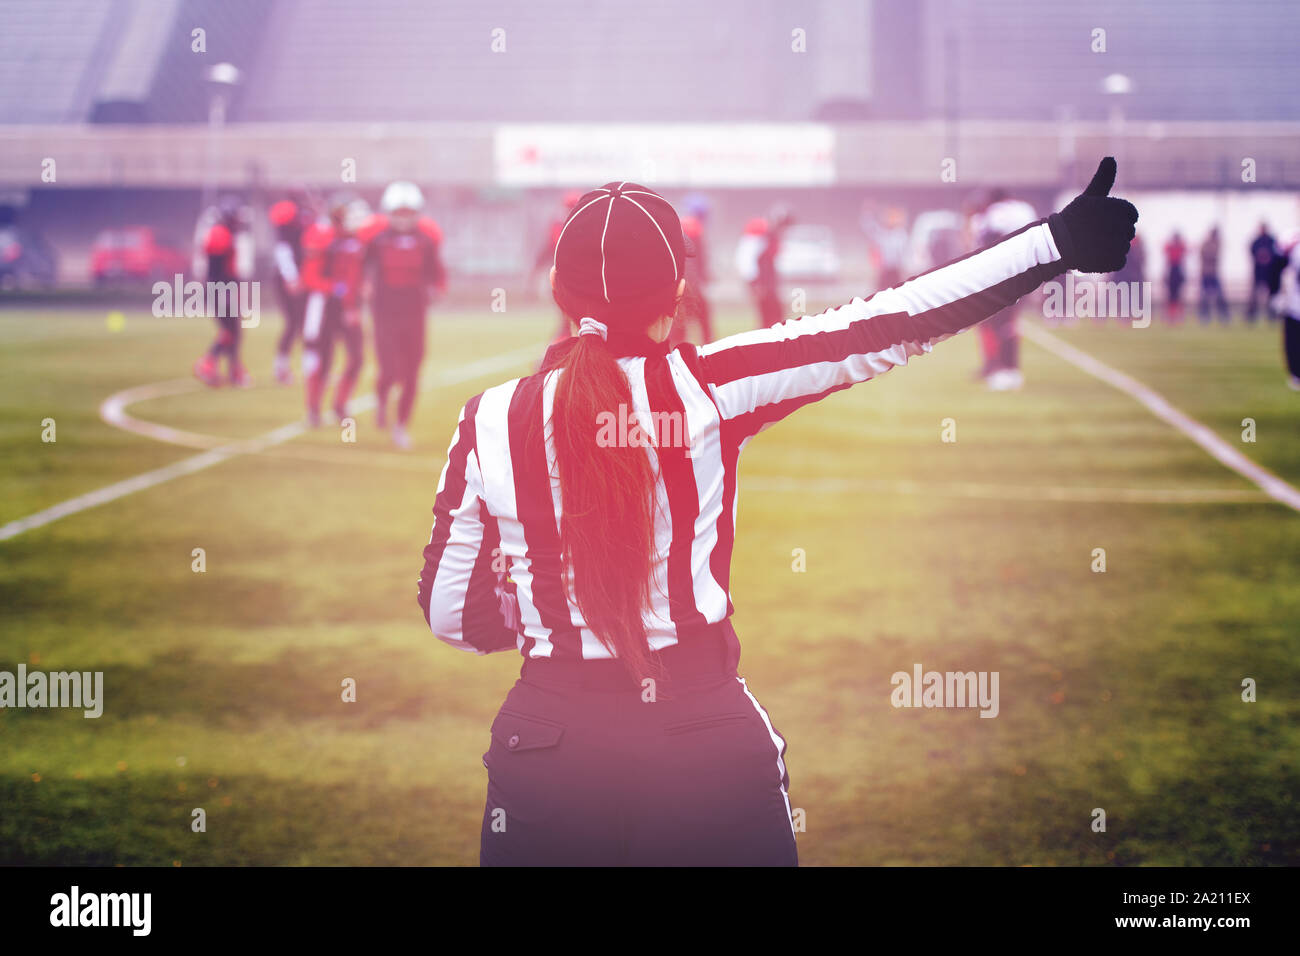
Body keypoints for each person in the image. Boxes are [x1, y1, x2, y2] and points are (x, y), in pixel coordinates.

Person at [415, 162, 1137, 867]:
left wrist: (538, 612)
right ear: (677, 291)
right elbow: (883, 326)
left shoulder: (487, 420)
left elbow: (451, 616)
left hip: (548, 747)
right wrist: (1055, 244)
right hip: (702, 742)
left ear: (554, 289)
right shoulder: (711, 387)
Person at [366, 181, 447, 449]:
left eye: (407, 212)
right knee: (389, 369)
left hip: (414, 313)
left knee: (412, 371)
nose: (403, 218)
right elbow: (362, 270)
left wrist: (437, 288)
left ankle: (400, 425)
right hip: (385, 313)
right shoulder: (377, 241)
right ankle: (381, 400)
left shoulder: (425, 241)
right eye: (398, 212)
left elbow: (437, 272)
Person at [301, 193, 370, 427]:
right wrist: (335, 289)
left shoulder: (358, 241)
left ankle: (340, 403)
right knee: (324, 359)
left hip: (349, 307)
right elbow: (309, 277)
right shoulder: (323, 237)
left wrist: (354, 301)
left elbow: (358, 276)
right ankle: (313, 407)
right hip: (326, 306)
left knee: (357, 357)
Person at [971, 189, 1037, 390]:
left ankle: (1005, 371)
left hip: (1002, 274)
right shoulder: (1025, 209)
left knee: (998, 322)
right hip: (1026, 273)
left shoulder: (996, 212)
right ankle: (1010, 369)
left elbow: (989, 240)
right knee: (1009, 323)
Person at [192, 196, 252, 388]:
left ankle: (233, 369)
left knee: (234, 330)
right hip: (219, 289)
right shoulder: (219, 234)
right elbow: (216, 270)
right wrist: (225, 292)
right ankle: (208, 363)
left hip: (223, 288)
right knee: (229, 330)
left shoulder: (224, 233)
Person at [268, 195, 314, 384]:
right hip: (288, 279)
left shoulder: (303, 221)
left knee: (304, 323)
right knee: (294, 322)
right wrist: (292, 277)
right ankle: (282, 367)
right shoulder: (287, 224)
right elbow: (283, 250)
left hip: (299, 278)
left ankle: (310, 367)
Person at [669, 193, 714, 347]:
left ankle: (675, 348)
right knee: (703, 318)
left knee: (680, 319)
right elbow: (699, 258)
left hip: (678, 281)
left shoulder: (679, 225)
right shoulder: (695, 228)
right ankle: (709, 347)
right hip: (692, 283)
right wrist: (705, 276)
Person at [749, 205, 794, 329]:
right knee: (771, 318)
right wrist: (762, 284)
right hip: (765, 285)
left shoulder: (771, 236)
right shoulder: (769, 237)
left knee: (773, 317)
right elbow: (761, 260)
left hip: (767, 284)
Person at [1274, 229, 1300, 389]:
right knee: (1293, 340)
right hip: (1295, 302)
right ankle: (1296, 373)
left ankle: (1296, 373)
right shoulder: (1294, 245)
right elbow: (1277, 265)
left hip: (1295, 302)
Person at [1247, 222, 1278, 322]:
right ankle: (1251, 316)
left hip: (1269, 273)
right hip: (1259, 272)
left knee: (1271, 296)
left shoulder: (1271, 240)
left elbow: (1276, 253)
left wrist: (1268, 258)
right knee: (1254, 296)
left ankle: (1272, 315)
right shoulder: (1257, 241)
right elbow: (1252, 251)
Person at [1197, 226, 1229, 324]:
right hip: (1206, 274)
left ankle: (1223, 317)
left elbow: (1215, 254)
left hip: (1214, 274)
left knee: (1220, 297)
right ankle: (1204, 317)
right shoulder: (1207, 243)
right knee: (1204, 297)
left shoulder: (1217, 243)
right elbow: (1205, 254)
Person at [1164, 231, 1187, 323]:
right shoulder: (1172, 247)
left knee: (1177, 296)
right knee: (1171, 297)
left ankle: (1177, 316)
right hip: (1173, 271)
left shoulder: (1179, 247)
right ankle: (1172, 316)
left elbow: (1183, 261)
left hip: (1177, 271)